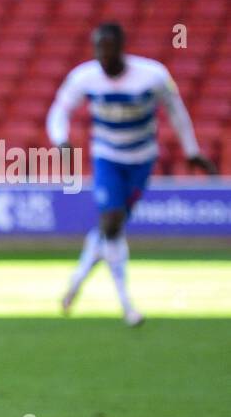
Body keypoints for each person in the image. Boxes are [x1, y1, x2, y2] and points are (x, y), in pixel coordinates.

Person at [49, 22, 216, 326]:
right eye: (98, 49)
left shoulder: (152, 76)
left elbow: (176, 109)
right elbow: (59, 110)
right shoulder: (85, 77)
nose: (103, 55)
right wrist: (61, 140)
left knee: (109, 229)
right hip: (107, 158)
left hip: (142, 161)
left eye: (108, 48)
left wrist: (191, 150)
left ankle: (75, 283)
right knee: (112, 223)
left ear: (121, 47)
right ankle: (127, 306)